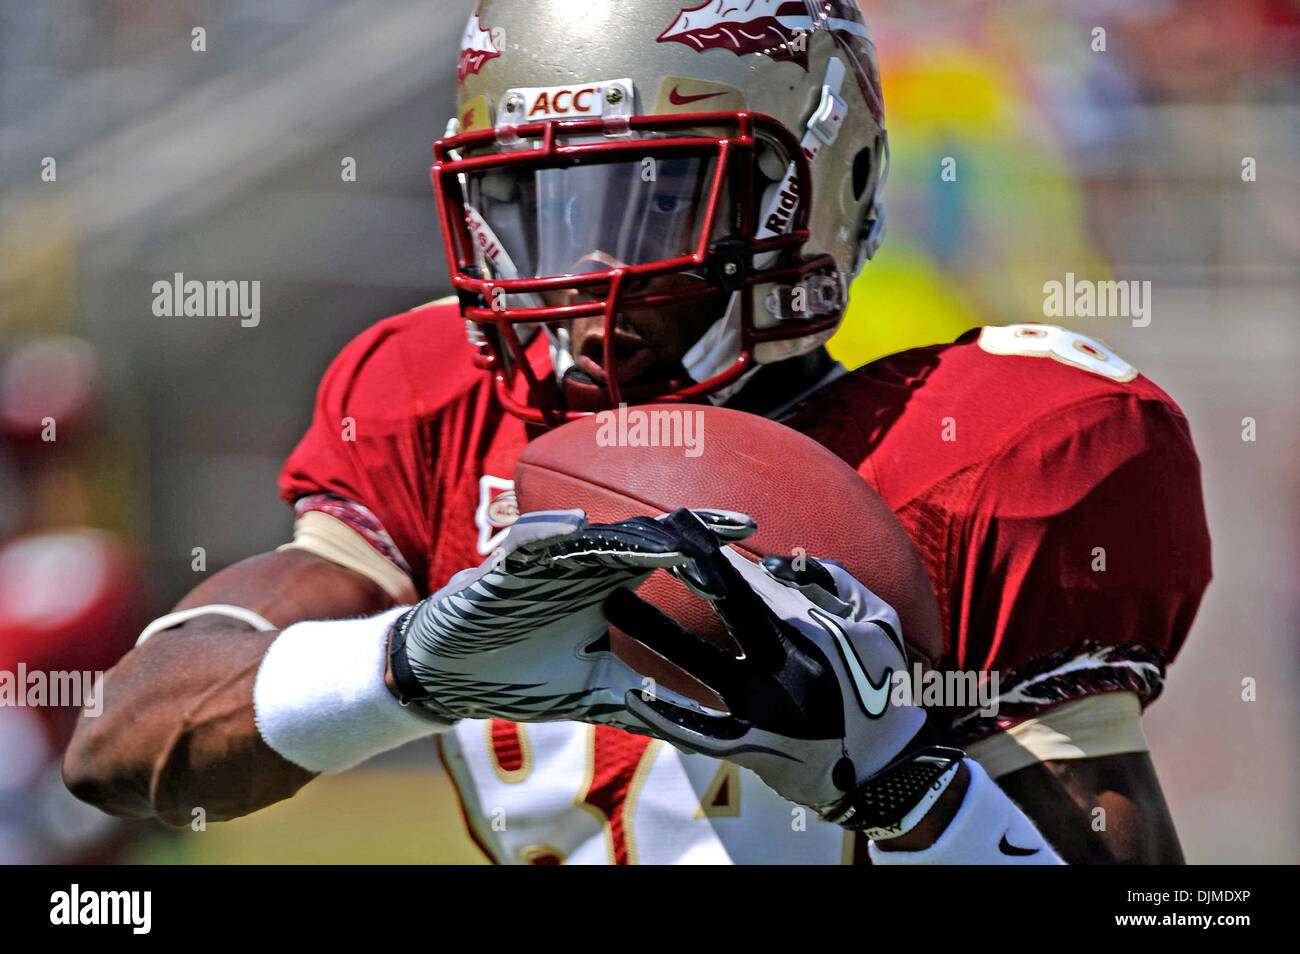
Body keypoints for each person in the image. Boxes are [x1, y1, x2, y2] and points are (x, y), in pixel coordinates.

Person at [64, 0, 1211, 865]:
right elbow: (123, 748)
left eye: (653, 197)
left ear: (821, 182)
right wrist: (406, 664)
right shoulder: (442, 405)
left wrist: (906, 789)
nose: (585, 264)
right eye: (533, 205)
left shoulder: (995, 447)